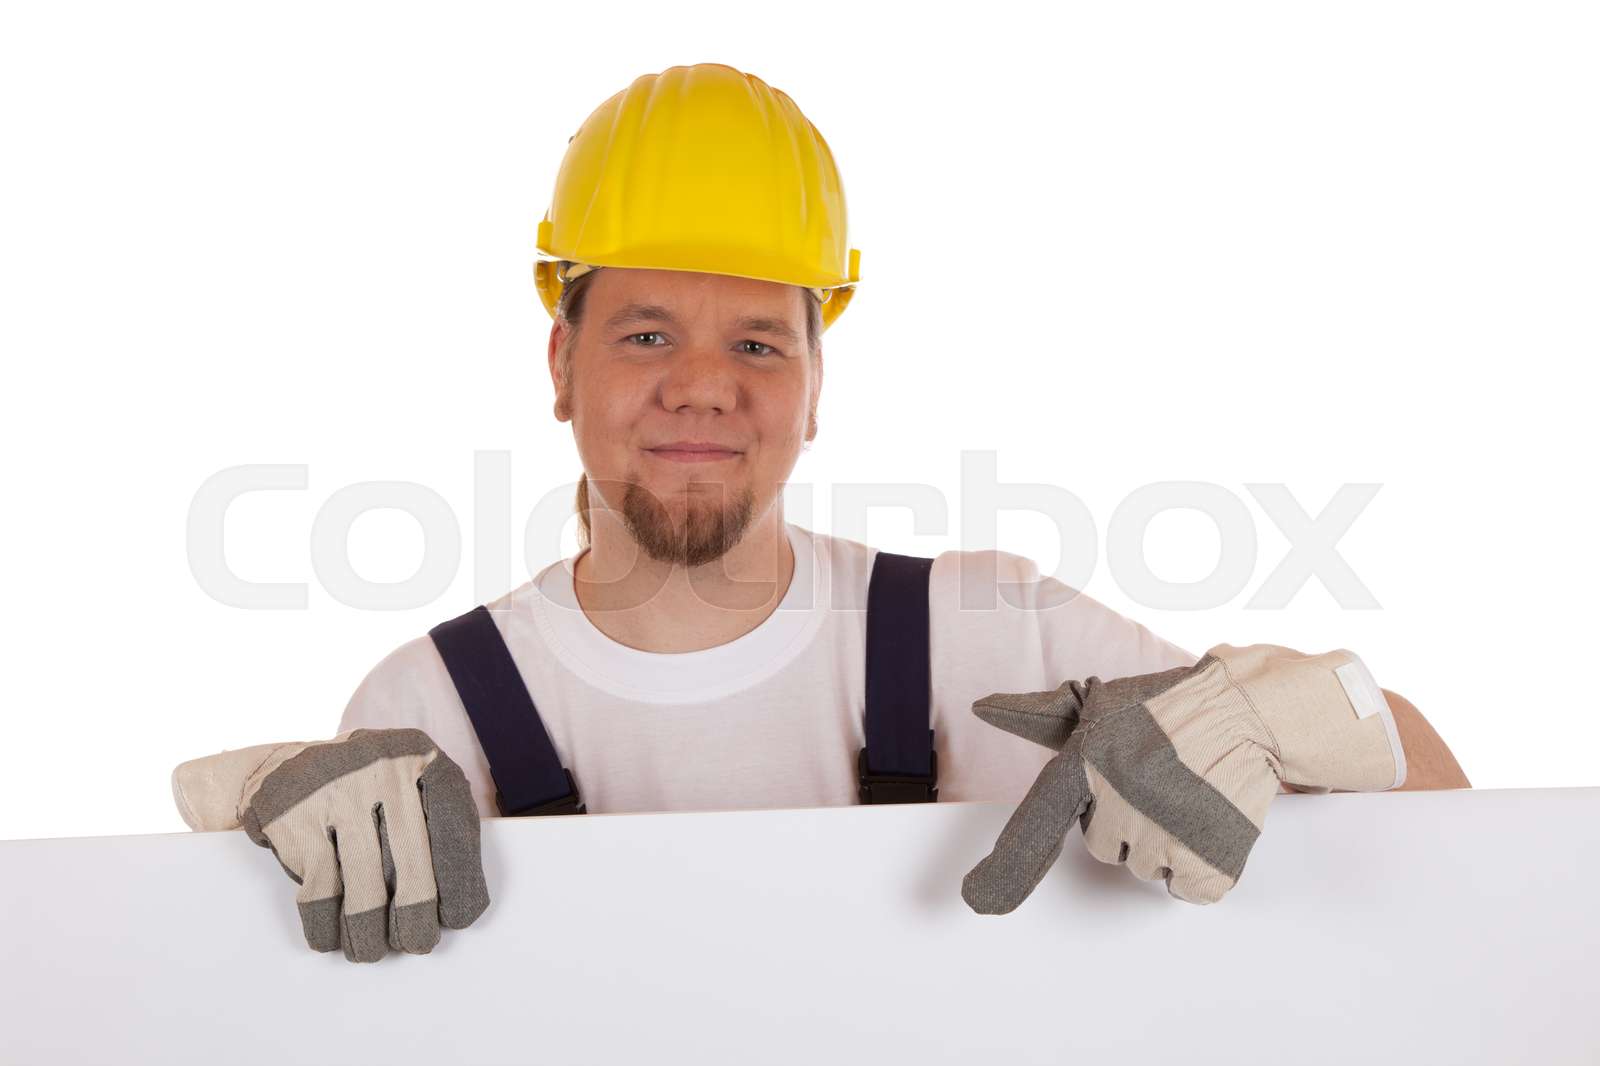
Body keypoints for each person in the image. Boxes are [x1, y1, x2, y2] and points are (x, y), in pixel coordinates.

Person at [170, 62, 1469, 962]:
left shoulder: (978, 632)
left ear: (814, 380)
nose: (702, 386)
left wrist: (1304, 712)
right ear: (560, 366)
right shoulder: (432, 707)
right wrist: (229, 890)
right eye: (643, 331)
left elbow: (1456, 820)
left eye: (756, 342)